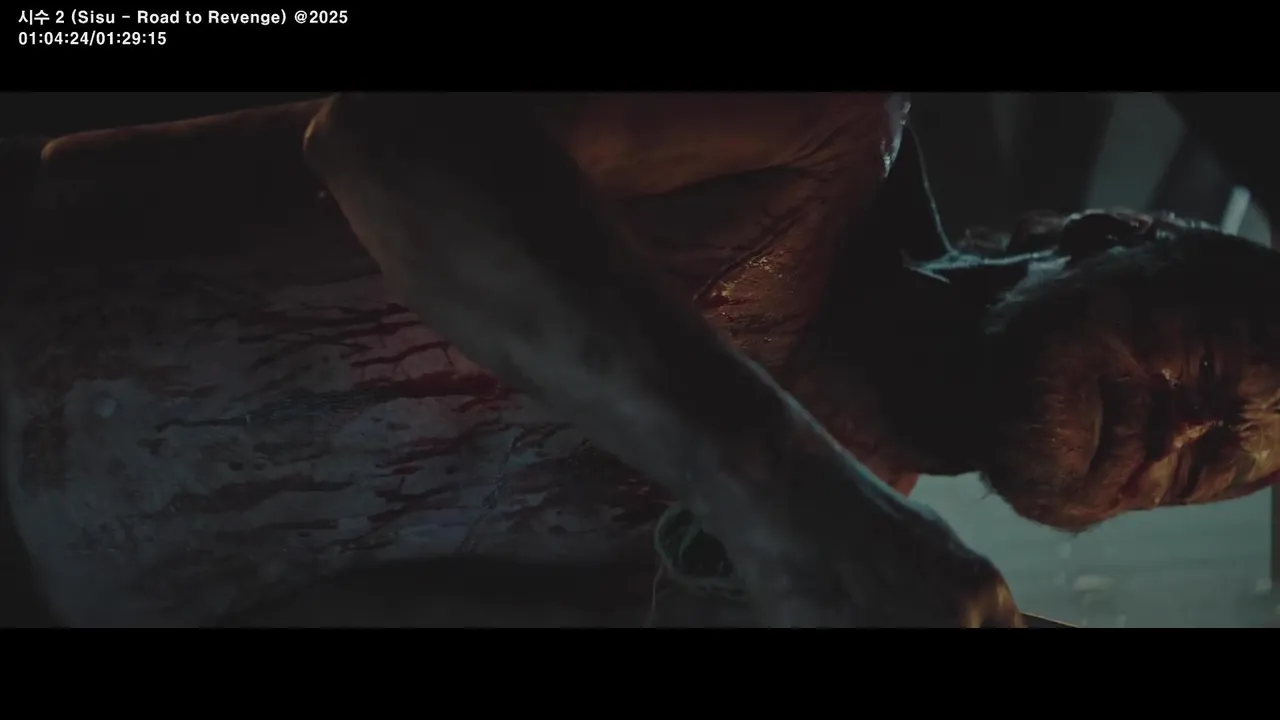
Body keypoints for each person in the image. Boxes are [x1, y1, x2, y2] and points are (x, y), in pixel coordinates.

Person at [3, 93, 1278, 627]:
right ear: (1107, 239)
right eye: (1207, 373)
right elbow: (389, 140)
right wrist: (772, 485)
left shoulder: (797, 585)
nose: (1174, 435)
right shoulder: (833, 130)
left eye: (1206, 465)